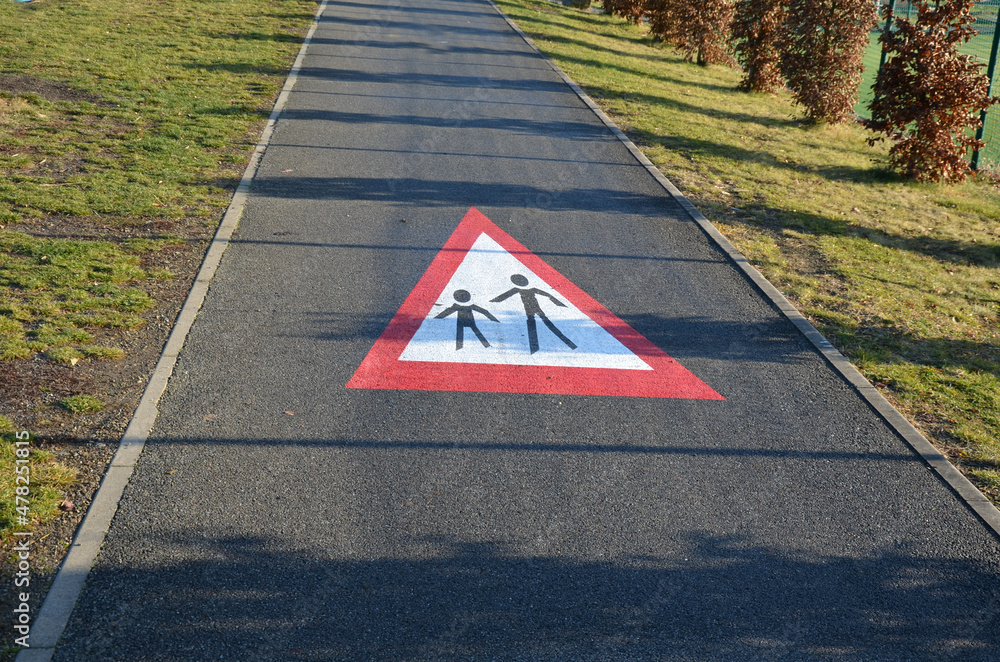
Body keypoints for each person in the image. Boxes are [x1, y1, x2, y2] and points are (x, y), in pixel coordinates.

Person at [491, 274, 577, 354]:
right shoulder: (524, 289)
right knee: (544, 324)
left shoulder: (525, 289)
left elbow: (503, 296)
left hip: (532, 310)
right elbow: (504, 296)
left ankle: (535, 348)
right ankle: (567, 344)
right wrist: (495, 300)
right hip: (532, 310)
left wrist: (559, 303)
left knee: (540, 324)